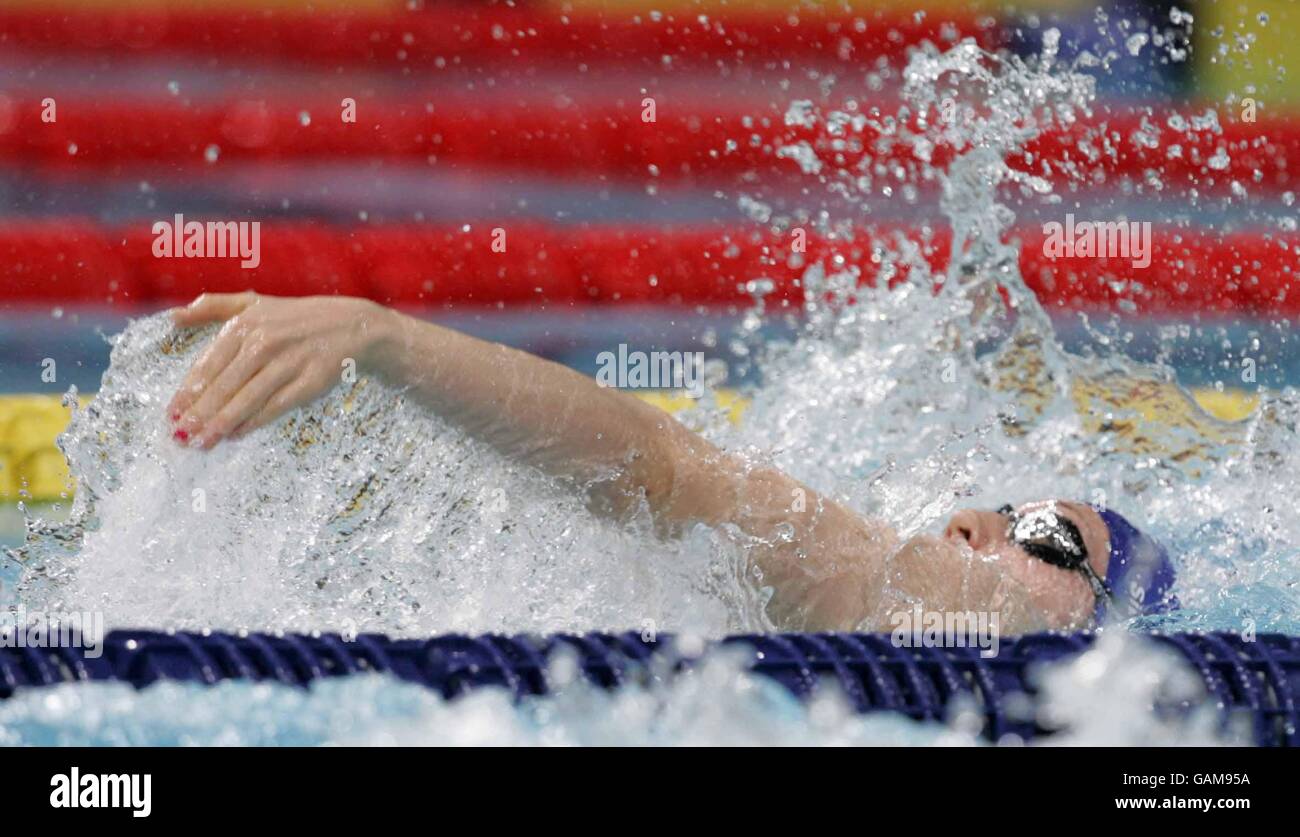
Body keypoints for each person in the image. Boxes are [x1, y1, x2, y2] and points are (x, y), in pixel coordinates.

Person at [166, 292, 1177, 634]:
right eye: (1001, 507)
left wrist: (380, 337)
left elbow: (663, 471)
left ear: (1097, 619)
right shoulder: (924, 616)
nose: (972, 524)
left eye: (1044, 535)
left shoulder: (993, 625)